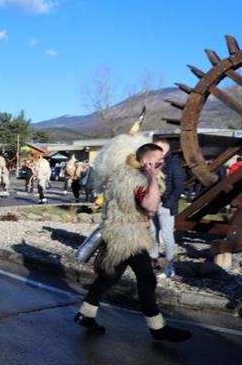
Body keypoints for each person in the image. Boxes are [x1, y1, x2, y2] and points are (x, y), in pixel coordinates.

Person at [73, 140, 192, 342]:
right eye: (159, 160)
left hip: (119, 231)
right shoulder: (138, 178)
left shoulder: (123, 173)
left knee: (110, 276)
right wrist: (152, 177)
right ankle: (157, 327)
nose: (163, 163)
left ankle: (86, 313)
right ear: (146, 161)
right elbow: (150, 205)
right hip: (129, 236)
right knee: (147, 278)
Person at [149, 140, 186, 279]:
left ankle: (170, 266)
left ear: (164, 151)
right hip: (153, 203)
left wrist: (168, 204)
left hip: (166, 205)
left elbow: (179, 186)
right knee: (152, 233)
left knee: (167, 235)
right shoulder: (153, 163)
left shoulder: (174, 164)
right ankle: (154, 263)